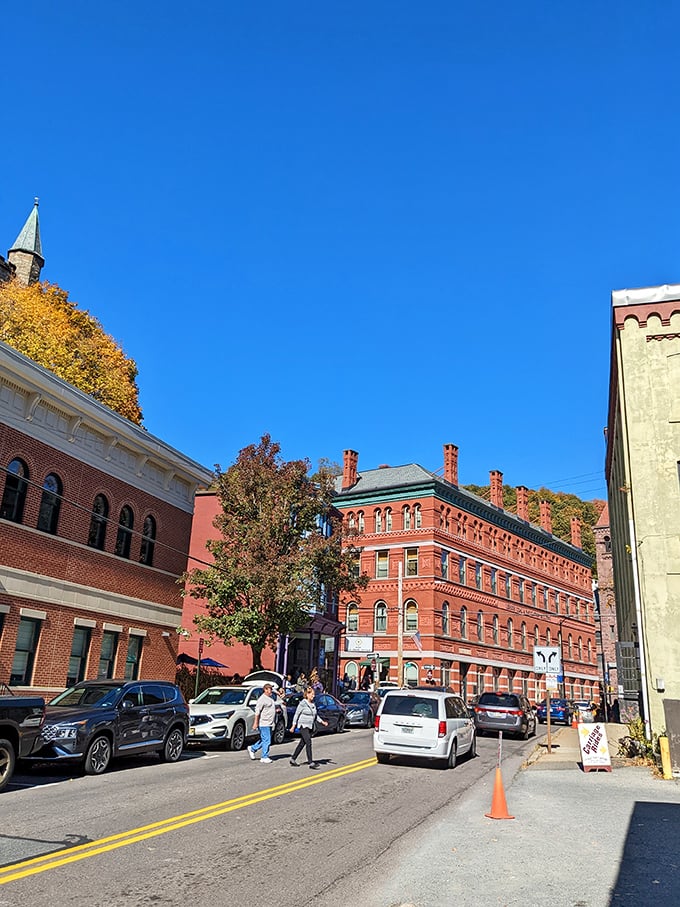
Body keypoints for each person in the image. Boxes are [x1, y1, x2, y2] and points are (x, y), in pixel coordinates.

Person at [289, 686, 327, 769]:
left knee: (302, 743)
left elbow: (315, 715)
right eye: (312, 694)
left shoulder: (313, 704)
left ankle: (293, 758)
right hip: (303, 725)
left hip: (310, 726)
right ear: (307, 694)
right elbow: (296, 715)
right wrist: (293, 726)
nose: (313, 696)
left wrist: (322, 722)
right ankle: (311, 762)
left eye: (313, 694)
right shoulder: (302, 703)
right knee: (308, 742)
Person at [248, 682, 278, 764]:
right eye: (269, 689)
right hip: (264, 723)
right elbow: (257, 712)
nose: (271, 690)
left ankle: (252, 748)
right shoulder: (262, 699)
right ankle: (264, 757)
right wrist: (255, 723)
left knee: (265, 739)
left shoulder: (270, 699)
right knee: (267, 740)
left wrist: (276, 711)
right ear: (265, 690)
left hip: (270, 723)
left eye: (271, 689)